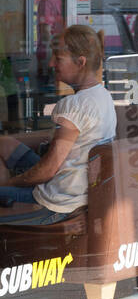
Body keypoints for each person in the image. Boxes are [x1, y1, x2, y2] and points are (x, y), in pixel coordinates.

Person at [0, 25, 115, 224]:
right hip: (74, 189)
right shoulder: (103, 97)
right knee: (4, 144)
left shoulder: (74, 105)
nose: (52, 63)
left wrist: (10, 183)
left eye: (58, 58)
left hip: (56, 205)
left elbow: (48, 170)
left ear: (80, 62)